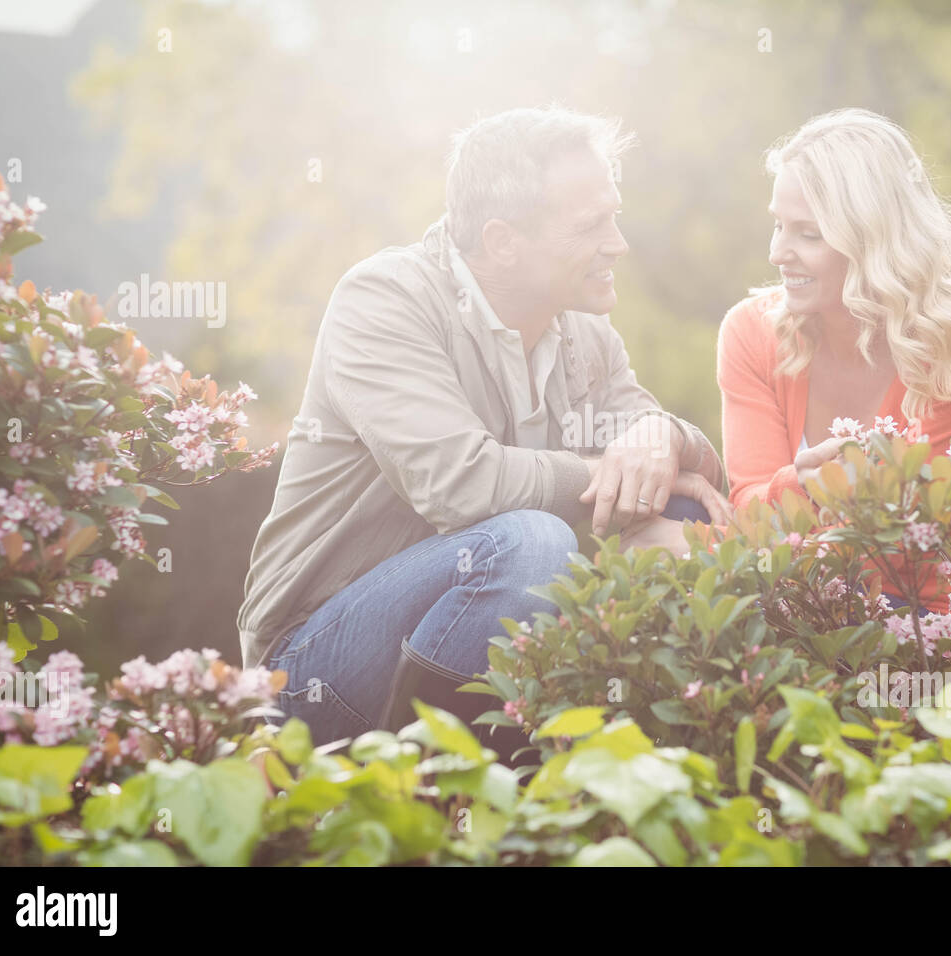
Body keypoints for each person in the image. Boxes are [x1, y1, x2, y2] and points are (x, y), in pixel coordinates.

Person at [238, 107, 730, 756]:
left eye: (614, 215)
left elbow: (648, 436)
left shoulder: (584, 331)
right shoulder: (384, 300)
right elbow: (464, 487)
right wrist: (612, 467)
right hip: (310, 668)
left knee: (681, 508)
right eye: (591, 225)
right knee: (529, 544)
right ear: (502, 241)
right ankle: (419, 804)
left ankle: (617, 773)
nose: (619, 243)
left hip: (474, 648)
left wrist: (663, 438)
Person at [716, 107, 951, 612]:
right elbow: (749, 508)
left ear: (874, 242)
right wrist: (807, 489)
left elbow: (911, 551)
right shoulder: (751, 332)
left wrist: (742, 551)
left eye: (808, 234)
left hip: (927, 618)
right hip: (798, 598)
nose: (777, 252)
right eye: (779, 225)